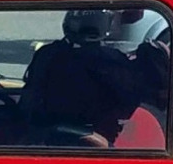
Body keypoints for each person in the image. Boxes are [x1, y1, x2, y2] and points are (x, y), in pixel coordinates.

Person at [21, 10, 147, 145]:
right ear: (104, 26)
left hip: (41, 140)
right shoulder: (112, 61)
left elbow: (30, 98)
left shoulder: (46, 54)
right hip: (95, 143)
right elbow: (131, 101)